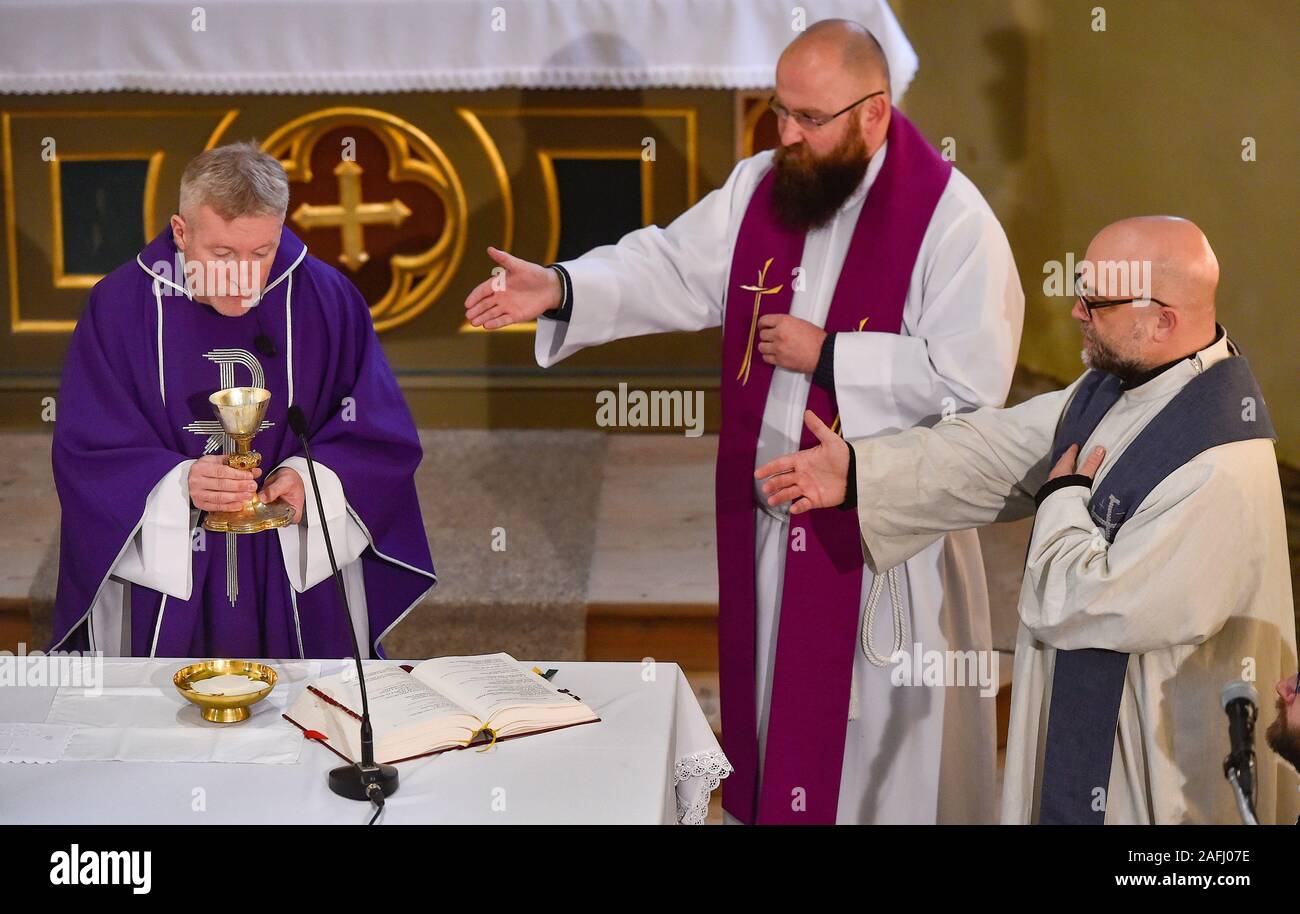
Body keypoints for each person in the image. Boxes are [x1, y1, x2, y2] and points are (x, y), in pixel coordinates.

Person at [464, 20, 1023, 823]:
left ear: (873, 113)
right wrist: (559, 287)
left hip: (884, 544)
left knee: (877, 759)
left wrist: (832, 357)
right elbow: (670, 265)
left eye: (808, 118)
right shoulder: (766, 185)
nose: (785, 135)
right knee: (779, 717)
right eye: (778, 110)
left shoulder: (952, 222)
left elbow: (973, 388)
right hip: (773, 525)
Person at [758, 215, 1299, 824]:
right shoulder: (1121, 388)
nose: (1076, 311)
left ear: (1163, 319)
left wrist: (1064, 497)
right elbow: (996, 451)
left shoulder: (1217, 463)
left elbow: (1086, 606)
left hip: (1161, 769)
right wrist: (861, 471)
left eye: (1095, 299)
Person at [50, 141, 437, 659]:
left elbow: (377, 436)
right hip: (171, 568)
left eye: (261, 252)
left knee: (312, 723)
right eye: (223, 254)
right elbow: (89, 450)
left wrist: (313, 478)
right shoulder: (120, 307)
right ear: (181, 233)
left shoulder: (327, 298)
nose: (245, 278)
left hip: (294, 562)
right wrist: (179, 481)